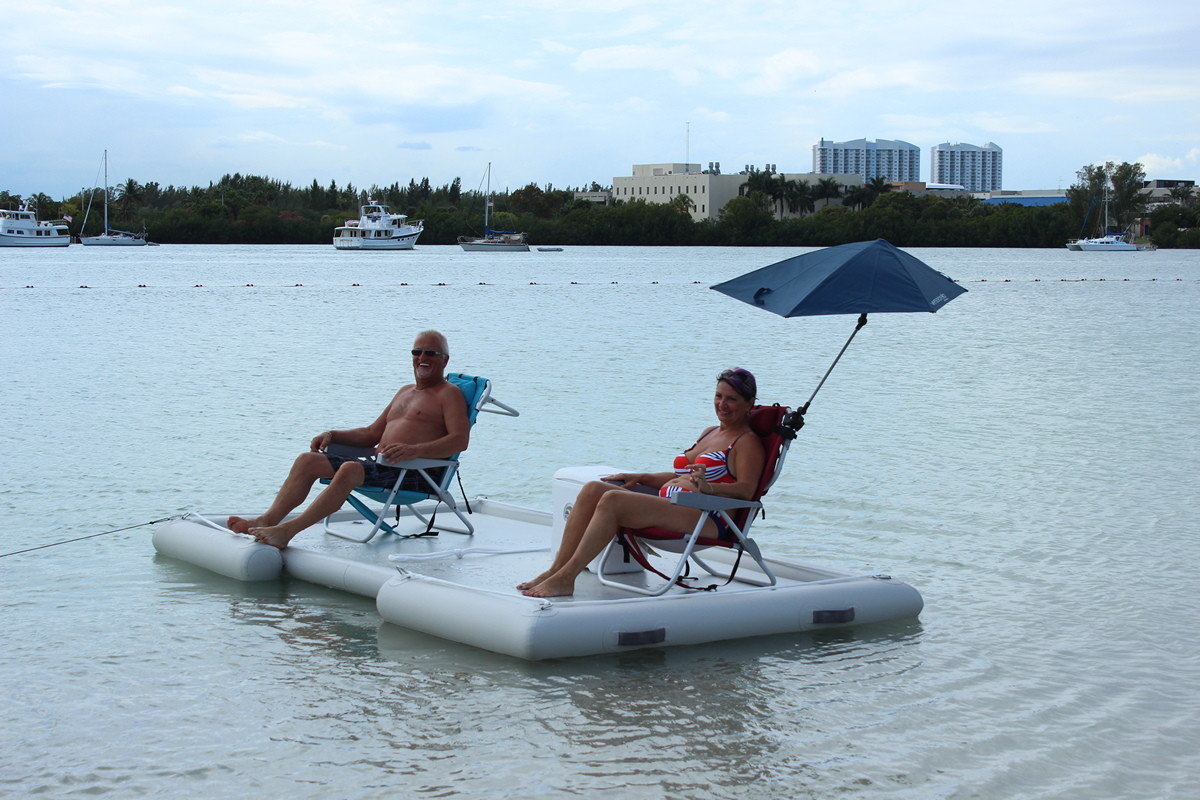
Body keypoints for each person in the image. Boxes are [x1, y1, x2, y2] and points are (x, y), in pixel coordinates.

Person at [519, 367, 766, 598]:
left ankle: (566, 578)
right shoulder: (710, 432)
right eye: (718, 396)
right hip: (675, 503)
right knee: (593, 489)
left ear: (749, 404)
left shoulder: (747, 442)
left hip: (709, 518)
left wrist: (710, 488)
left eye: (731, 399)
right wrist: (642, 477)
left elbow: (747, 491)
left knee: (613, 500)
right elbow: (680, 475)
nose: (722, 404)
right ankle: (556, 569)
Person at [227, 330, 471, 549]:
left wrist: (415, 450)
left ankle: (287, 532)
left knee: (350, 469)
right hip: (381, 469)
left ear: (444, 359)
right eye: (417, 352)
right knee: (307, 461)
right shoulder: (405, 391)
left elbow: (460, 441)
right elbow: (370, 434)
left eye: (431, 352)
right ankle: (266, 520)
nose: (422, 357)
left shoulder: (449, 394)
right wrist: (332, 435)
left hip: (413, 475)